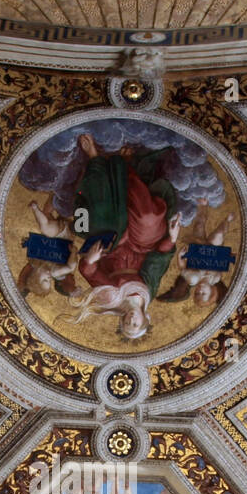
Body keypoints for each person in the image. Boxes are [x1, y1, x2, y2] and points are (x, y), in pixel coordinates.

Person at [63, 133, 183, 341]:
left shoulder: (110, 299)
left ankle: (96, 160)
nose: (130, 320)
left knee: (103, 216)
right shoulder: (148, 293)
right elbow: (159, 262)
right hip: (142, 246)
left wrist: (91, 260)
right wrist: (171, 239)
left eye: (126, 324)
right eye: (135, 324)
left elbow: (89, 273)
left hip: (112, 247)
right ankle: (128, 168)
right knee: (148, 217)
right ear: (145, 319)